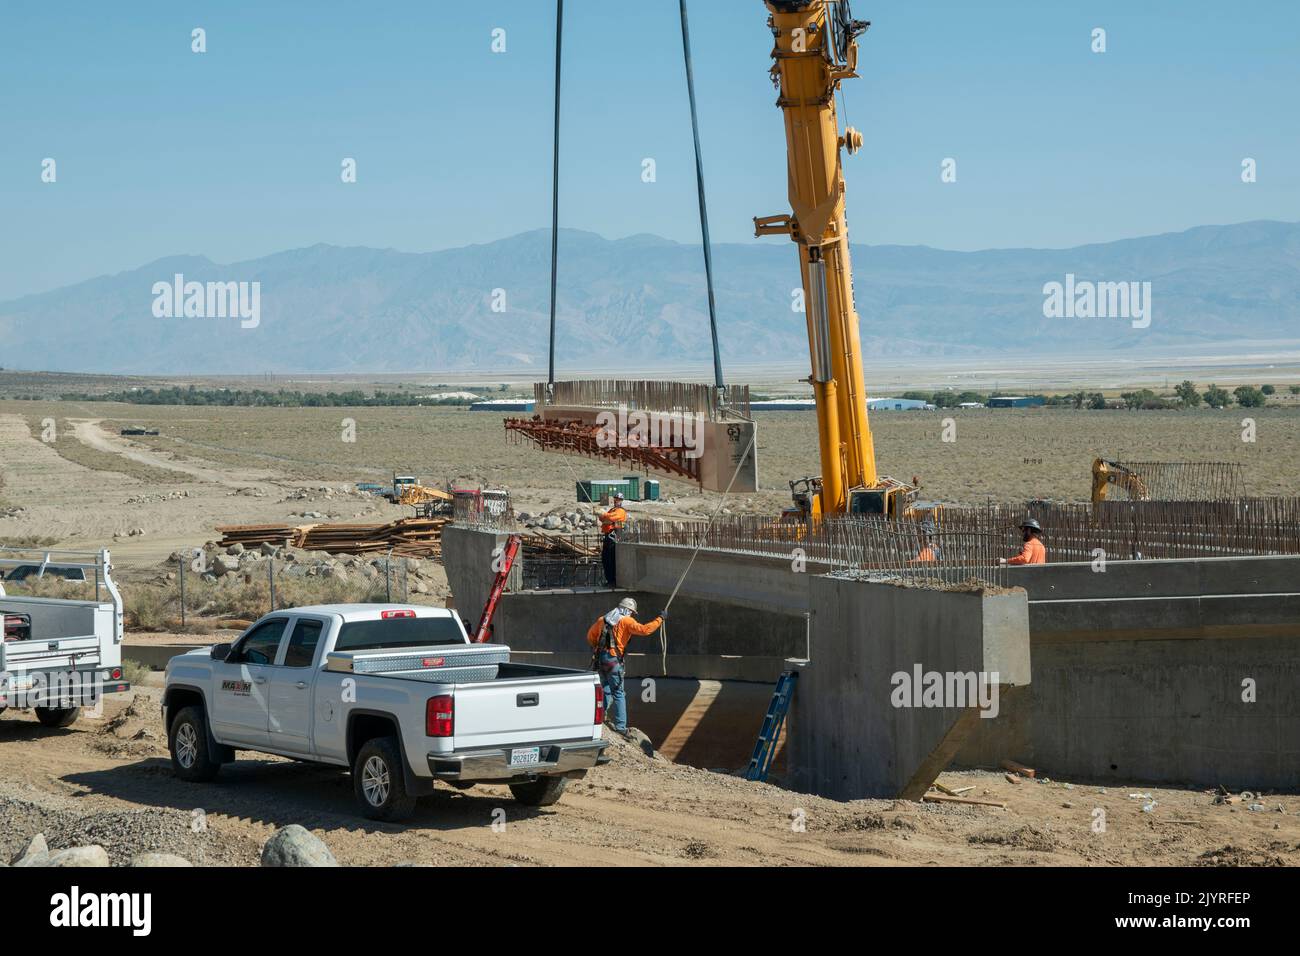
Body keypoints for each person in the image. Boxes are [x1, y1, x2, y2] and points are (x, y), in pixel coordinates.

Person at [586, 597, 663, 733]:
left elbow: (590, 636)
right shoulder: (627, 621)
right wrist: (660, 619)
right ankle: (621, 727)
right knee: (619, 693)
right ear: (627, 610)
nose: (632, 614)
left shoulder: (602, 619)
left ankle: (600, 717)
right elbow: (645, 630)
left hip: (600, 660)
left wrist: (597, 648)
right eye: (632, 612)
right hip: (613, 660)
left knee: (606, 688)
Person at [599, 493, 629, 586]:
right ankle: (609, 580)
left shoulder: (620, 511)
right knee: (605, 559)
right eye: (615, 498)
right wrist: (604, 516)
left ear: (621, 500)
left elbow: (611, 517)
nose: (616, 500)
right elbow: (603, 519)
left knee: (612, 559)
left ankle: (613, 581)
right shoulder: (612, 510)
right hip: (608, 536)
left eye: (618, 499)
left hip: (614, 536)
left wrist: (604, 514)